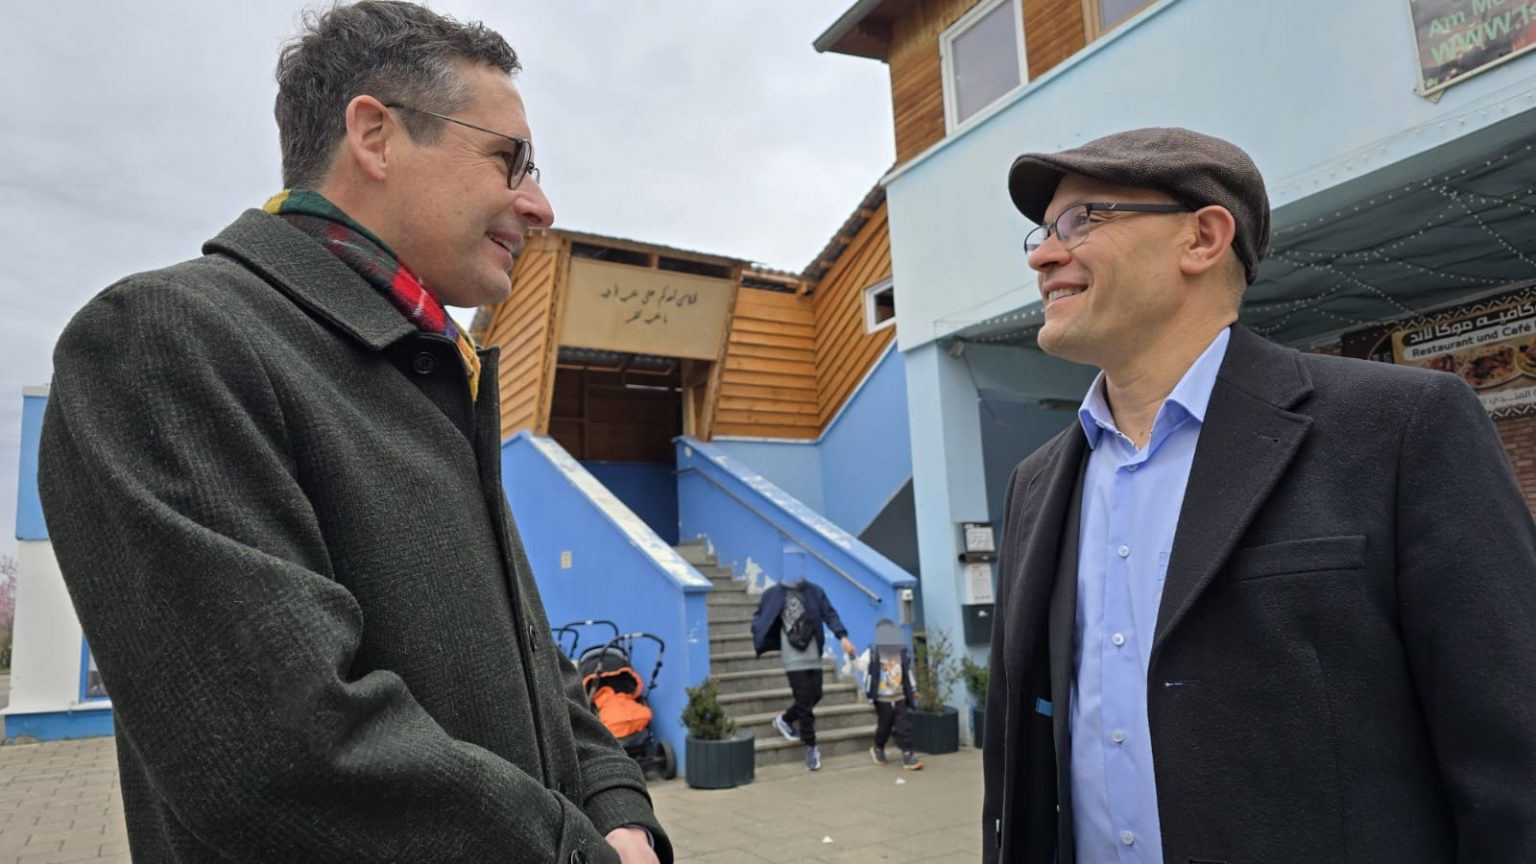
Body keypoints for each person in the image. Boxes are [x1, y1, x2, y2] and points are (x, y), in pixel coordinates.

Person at [37, 4, 668, 862]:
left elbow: (530, 657)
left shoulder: (435, 369)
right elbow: (282, 749)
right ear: (374, 136)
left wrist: (615, 802)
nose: (540, 203)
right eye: (507, 158)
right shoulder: (165, 341)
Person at [981, 127, 1536, 863]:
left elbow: (1511, 759)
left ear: (1204, 238)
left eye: (1084, 220)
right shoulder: (1036, 482)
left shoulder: (1401, 427)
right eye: (1042, 232)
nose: (1045, 255)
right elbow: (1017, 761)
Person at [750, 574, 855, 771]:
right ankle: (810, 746)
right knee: (804, 699)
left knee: (815, 694)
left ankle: (785, 719)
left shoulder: (815, 591)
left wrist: (842, 637)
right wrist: (760, 634)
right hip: (792, 655)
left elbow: (829, 614)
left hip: (813, 651)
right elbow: (759, 617)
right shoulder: (774, 593)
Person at [863, 619, 922, 771]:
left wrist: (913, 690)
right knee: (885, 725)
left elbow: (907, 672)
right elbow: (863, 667)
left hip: (900, 695)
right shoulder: (873, 652)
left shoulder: (901, 651)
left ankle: (908, 755)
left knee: (904, 726)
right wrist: (851, 657)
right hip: (882, 698)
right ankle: (878, 748)